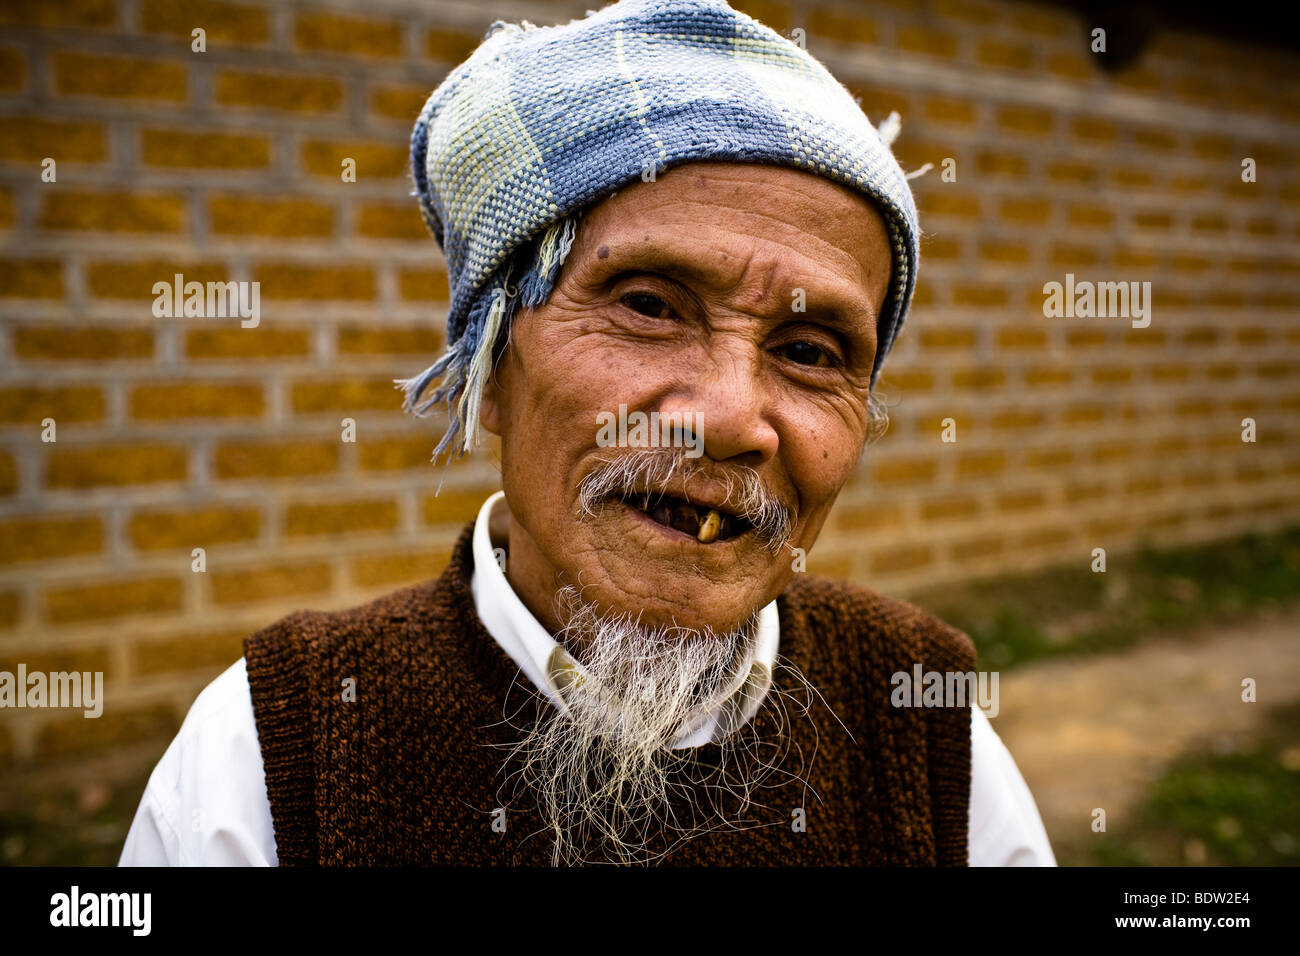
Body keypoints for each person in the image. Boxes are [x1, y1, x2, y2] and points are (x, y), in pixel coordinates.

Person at [120, 0, 1054, 866]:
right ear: (492, 364)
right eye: (648, 305)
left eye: (811, 352)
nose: (728, 420)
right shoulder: (281, 747)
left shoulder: (922, 717)